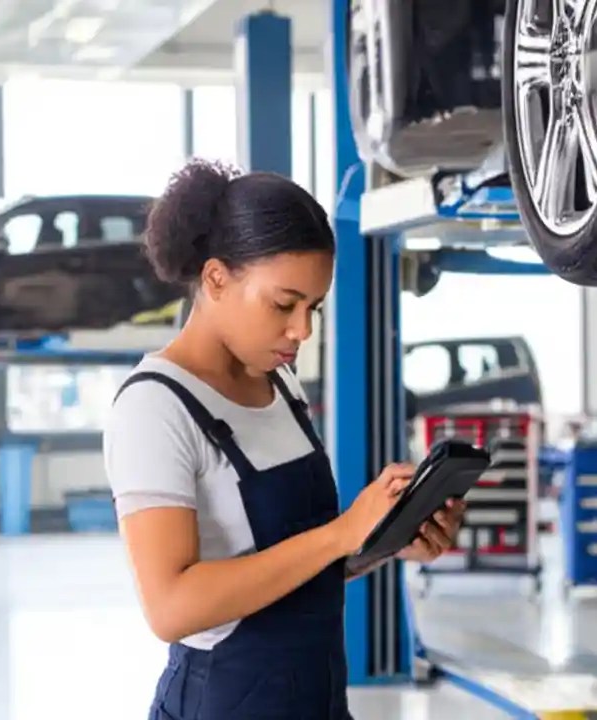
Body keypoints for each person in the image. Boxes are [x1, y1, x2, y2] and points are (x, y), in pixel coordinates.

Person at [102, 159, 467, 719]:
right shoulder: (154, 406)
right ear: (216, 278)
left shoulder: (278, 384)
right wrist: (340, 533)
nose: (302, 330)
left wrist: (380, 540)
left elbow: (286, 565)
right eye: (284, 304)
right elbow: (170, 607)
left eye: (313, 307)